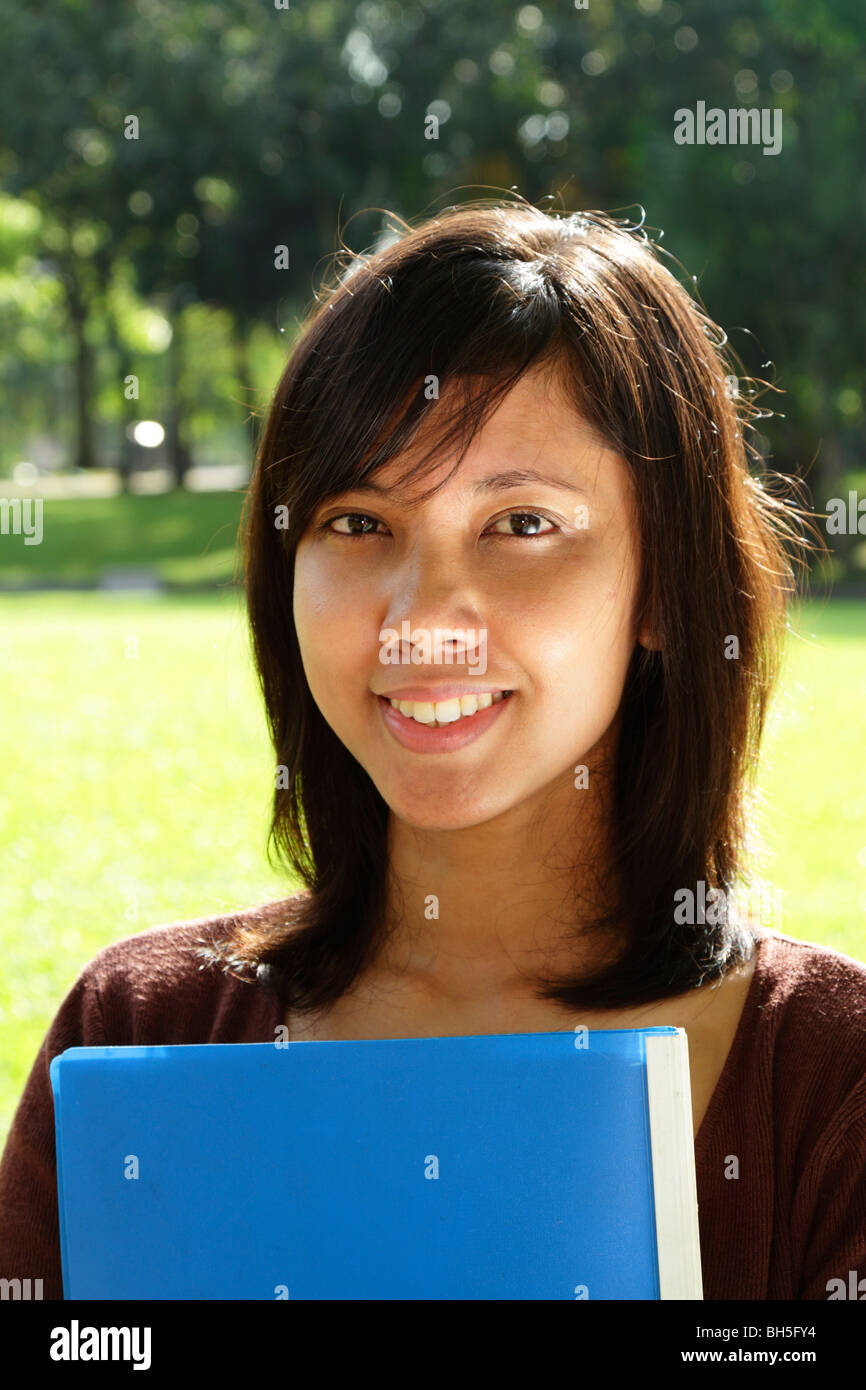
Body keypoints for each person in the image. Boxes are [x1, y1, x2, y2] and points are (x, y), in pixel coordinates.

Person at [2, 198, 864, 1301]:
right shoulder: (135, 1028)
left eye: (520, 524)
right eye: (358, 522)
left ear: (664, 583)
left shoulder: (827, 1079)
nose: (424, 617)